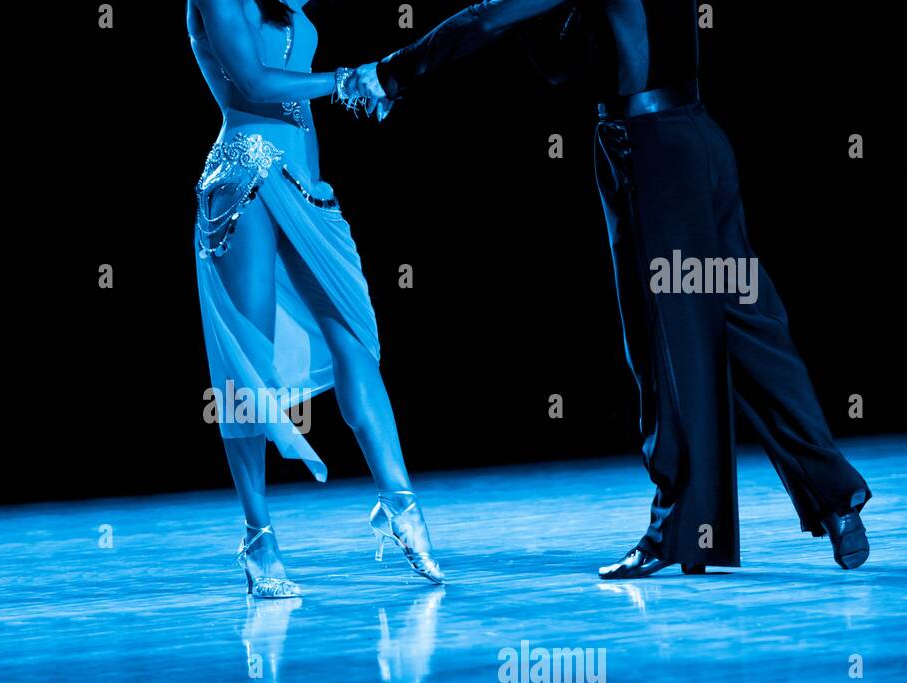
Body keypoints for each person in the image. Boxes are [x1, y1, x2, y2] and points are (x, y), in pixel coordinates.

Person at [350, 0, 871, 578]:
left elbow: (486, 19)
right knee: (748, 328)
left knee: (661, 348)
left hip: (646, 151)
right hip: (699, 141)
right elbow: (566, 58)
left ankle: (674, 532)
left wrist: (391, 71)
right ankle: (835, 498)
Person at [189, 0, 444, 597]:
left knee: (357, 342)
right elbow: (253, 81)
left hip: (307, 184)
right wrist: (351, 78)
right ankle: (258, 538)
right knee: (248, 365)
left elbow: (292, 76)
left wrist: (367, 83)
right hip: (244, 177)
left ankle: (400, 502)